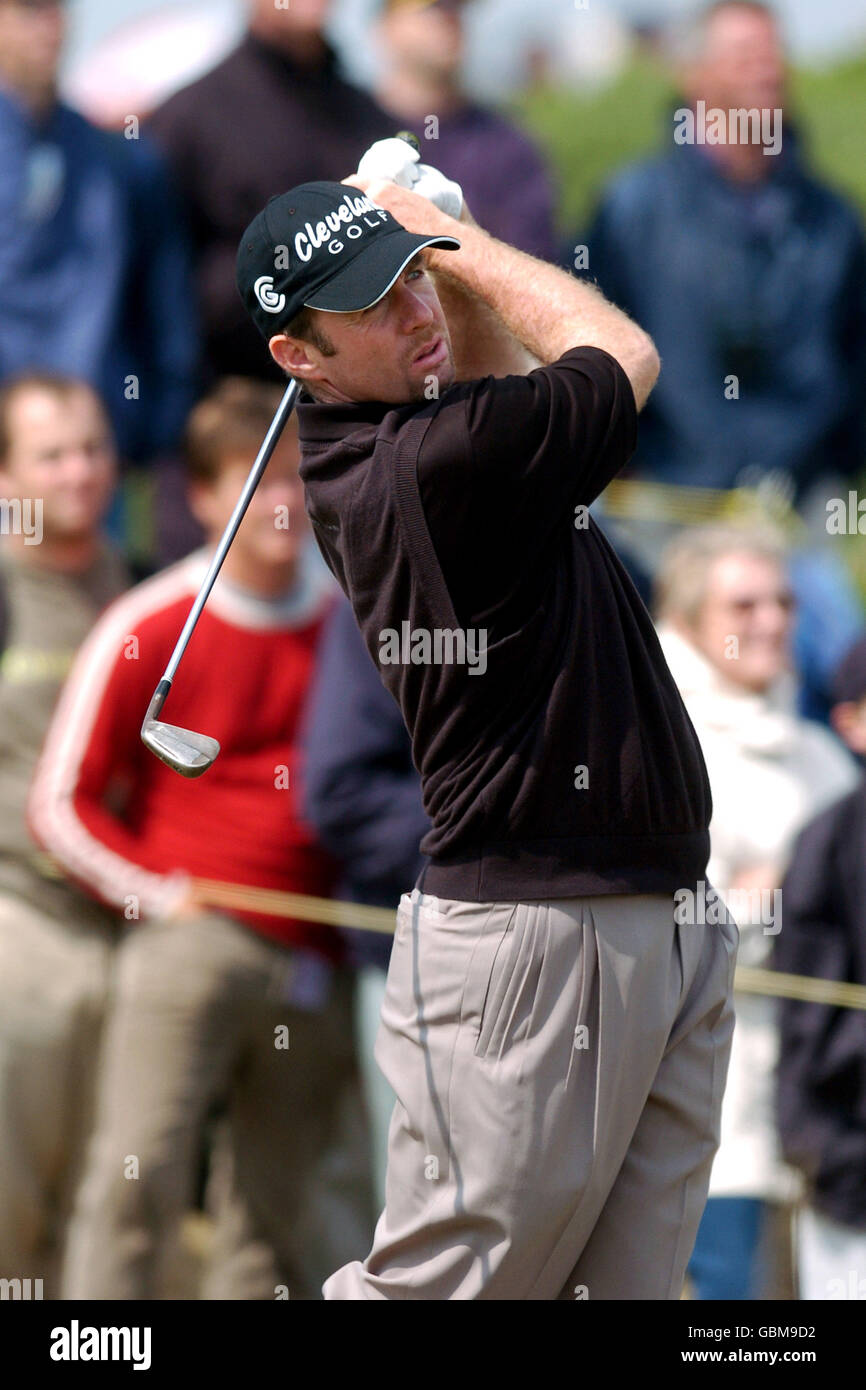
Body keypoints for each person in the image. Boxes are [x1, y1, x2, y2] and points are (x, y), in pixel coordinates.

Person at [234, 169, 738, 1300]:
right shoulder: (420, 465)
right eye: (373, 306)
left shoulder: (434, 431)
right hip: (532, 939)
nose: (415, 312)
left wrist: (433, 263)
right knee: (440, 1292)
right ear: (299, 360)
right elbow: (616, 358)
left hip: (648, 910)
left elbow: (498, 376)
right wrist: (454, 237)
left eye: (413, 283)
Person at [27, 378, 375, 1299]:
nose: (286, 503)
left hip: (318, 952)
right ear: (205, 496)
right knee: (138, 1168)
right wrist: (158, 894)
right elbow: (60, 803)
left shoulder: (349, 619)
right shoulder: (149, 624)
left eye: (302, 479)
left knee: (277, 1205)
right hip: (193, 938)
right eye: (260, 481)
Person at [652, 524, 859, 1299]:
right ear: (688, 620)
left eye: (782, 601)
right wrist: (786, 896)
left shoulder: (824, 756)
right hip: (707, 1099)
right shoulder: (658, 745)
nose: (770, 620)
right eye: (743, 604)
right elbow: (669, 929)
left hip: (823, 1101)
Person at [582, 0, 866, 501]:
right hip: (666, 509)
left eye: (774, 53)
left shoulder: (832, 219)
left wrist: (833, 473)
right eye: (744, 54)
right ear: (694, 74)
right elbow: (590, 357)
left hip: (803, 508)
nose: (767, 69)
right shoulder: (632, 210)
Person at [0, 372, 127, 1297]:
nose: (80, 471)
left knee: (107, 1191)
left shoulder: (127, 585)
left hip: (121, 927)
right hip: (18, 923)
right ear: (8, 479)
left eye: (92, 447)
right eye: (52, 454)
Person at [148, 0, 392, 385]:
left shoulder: (373, 118)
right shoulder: (186, 120)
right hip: (239, 407)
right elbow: (154, 291)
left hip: (373, 404)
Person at [0, 0, 198, 470]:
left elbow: (163, 296)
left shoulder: (116, 158)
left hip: (97, 439)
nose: (49, 26)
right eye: (29, 9)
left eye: (56, 9)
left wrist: (159, 418)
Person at [302, 592, 429, 1207]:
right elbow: (340, 796)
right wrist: (501, 827)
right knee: (424, 1211)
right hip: (420, 959)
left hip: (590, 960)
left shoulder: (612, 578)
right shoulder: (379, 603)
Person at [774, 634, 866, 1300]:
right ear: (851, 724)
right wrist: (825, 1150)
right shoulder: (830, 842)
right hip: (853, 1179)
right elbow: (807, 1021)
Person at [374, 0, 559, 261]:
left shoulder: (508, 146)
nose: (448, 18)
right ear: (385, 26)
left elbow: (534, 270)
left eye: (454, 7)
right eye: (430, 9)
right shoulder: (338, 132)